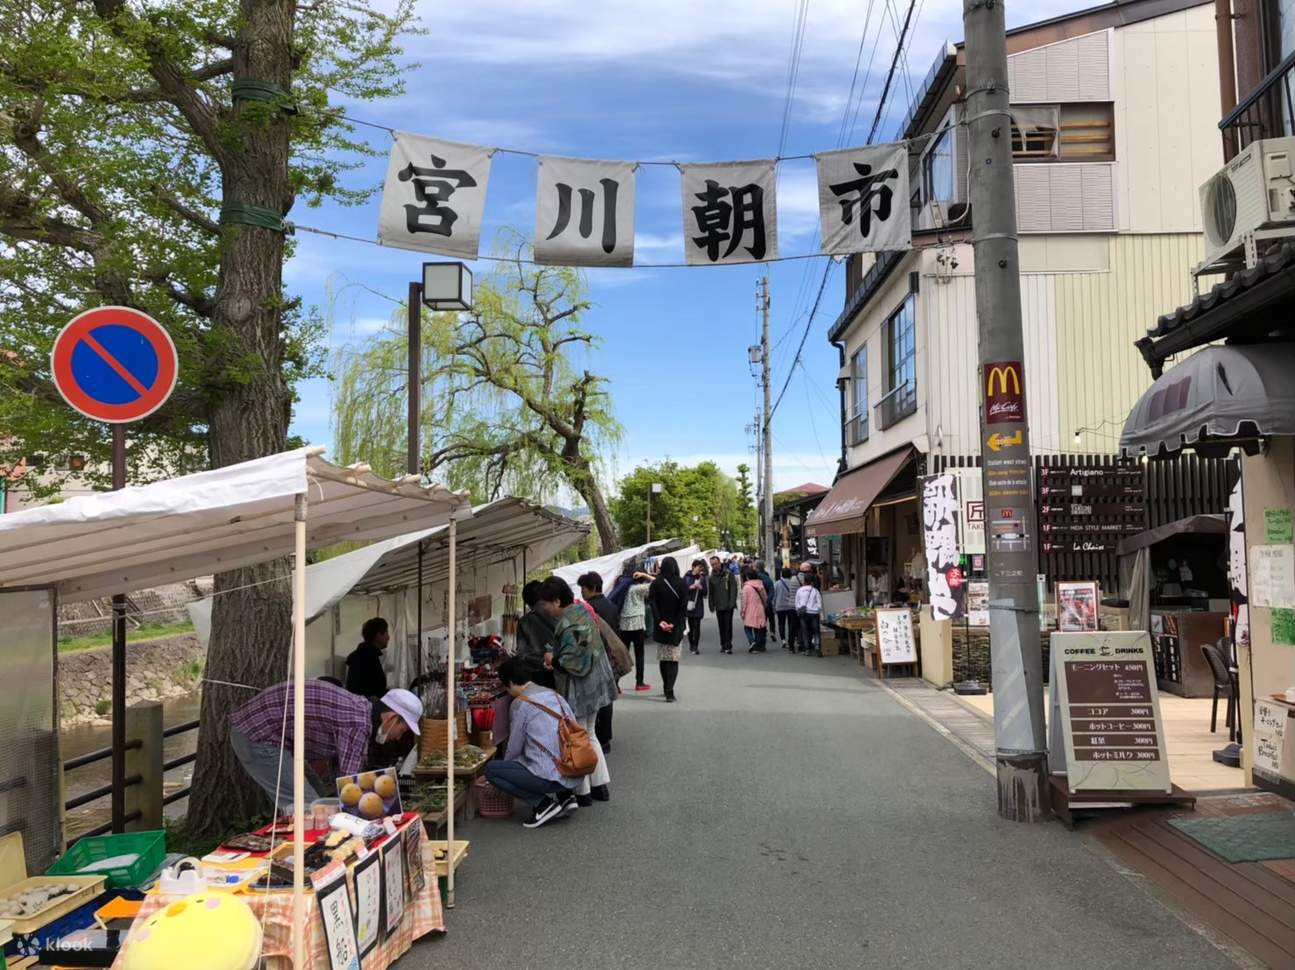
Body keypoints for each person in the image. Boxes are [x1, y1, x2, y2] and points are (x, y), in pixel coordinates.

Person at [230, 679, 422, 811]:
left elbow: (341, 774)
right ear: (391, 718)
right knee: (310, 808)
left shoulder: (360, 709)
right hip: (258, 734)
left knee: (322, 800)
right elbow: (349, 783)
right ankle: (310, 857)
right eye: (403, 730)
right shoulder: (358, 722)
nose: (399, 737)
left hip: (274, 736)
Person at [537, 577, 614, 803]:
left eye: (546, 603)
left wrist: (552, 659)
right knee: (589, 734)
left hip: (580, 687)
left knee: (577, 737)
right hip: (597, 682)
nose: (545, 608)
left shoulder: (568, 623)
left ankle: (583, 792)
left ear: (557, 601)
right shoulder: (582, 611)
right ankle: (599, 786)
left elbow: (573, 660)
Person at [484, 657, 580, 828]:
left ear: (511, 683)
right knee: (551, 749)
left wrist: (504, 775)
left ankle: (543, 804)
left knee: (492, 770)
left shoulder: (520, 704)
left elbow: (514, 748)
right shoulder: (556, 696)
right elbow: (574, 728)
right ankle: (566, 796)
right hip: (573, 769)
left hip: (548, 777)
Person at [578, 572, 620, 755]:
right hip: (610, 658)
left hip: (595, 659)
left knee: (595, 700)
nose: (582, 592)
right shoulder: (612, 605)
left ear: (593, 588)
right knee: (607, 700)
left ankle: (594, 738)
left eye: (584, 588)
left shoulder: (588, 609)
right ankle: (605, 738)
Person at [647, 558, 689, 701]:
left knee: (664, 659)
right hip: (676, 627)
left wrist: (660, 621)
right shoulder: (682, 583)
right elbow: (683, 607)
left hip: (661, 626)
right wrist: (674, 624)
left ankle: (666, 687)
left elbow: (652, 604)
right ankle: (669, 690)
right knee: (673, 659)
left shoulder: (656, 583)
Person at [618, 569, 653, 692]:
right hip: (637, 623)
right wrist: (645, 574)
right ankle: (639, 682)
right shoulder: (638, 588)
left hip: (624, 624)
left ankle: (615, 683)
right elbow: (657, 583)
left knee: (622, 655)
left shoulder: (623, 588)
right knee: (639, 654)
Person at [344, 617, 389, 698]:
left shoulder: (359, 654)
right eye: (386, 633)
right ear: (378, 635)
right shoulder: (369, 658)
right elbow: (375, 690)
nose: (388, 637)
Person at [516, 579, 556, 662]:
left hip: (537, 667)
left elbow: (521, 653)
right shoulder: (560, 612)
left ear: (527, 602)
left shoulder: (524, 622)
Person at [708, 555, 739, 655]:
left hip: (728, 605)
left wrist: (732, 602)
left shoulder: (728, 573)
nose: (714, 566)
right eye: (712, 564)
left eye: (715, 564)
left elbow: (733, 589)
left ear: (719, 562)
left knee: (728, 626)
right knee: (721, 626)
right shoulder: (711, 577)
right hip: (718, 605)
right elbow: (711, 592)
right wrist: (711, 604)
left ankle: (728, 646)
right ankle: (723, 644)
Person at [740, 567, 769, 653]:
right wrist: (765, 606)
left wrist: (742, 612)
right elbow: (765, 597)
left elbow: (744, 601)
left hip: (749, 610)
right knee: (758, 627)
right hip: (760, 609)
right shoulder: (760, 585)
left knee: (747, 627)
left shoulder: (746, 587)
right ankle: (758, 646)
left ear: (747, 577)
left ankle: (752, 641)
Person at [683, 559, 708, 655]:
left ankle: (695, 646)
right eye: (699, 567)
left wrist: (701, 588)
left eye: (701, 567)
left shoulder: (702, 578)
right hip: (688, 604)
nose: (700, 569)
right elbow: (682, 589)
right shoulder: (687, 576)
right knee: (690, 626)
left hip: (698, 605)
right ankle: (691, 643)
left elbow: (705, 592)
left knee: (697, 627)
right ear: (693, 567)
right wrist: (691, 587)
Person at [773, 567, 801, 649]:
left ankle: (783, 640)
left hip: (780, 606)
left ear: (781, 574)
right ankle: (791, 639)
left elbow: (774, 596)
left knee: (781, 623)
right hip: (791, 606)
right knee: (791, 624)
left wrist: (773, 606)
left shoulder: (777, 584)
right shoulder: (793, 582)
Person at [797, 572, 824, 657]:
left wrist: (799, 610)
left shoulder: (799, 590)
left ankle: (807, 649)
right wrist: (817, 610)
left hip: (803, 614)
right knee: (816, 631)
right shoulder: (815, 591)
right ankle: (817, 648)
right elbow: (819, 603)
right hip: (814, 614)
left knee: (805, 631)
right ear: (812, 582)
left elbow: (797, 603)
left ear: (804, 581)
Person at [755, 560, 776, 641]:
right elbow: (772, 590)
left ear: (757, 567)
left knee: (762, 619)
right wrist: (768, 600)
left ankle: (763, 632)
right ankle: (772, 632)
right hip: (768, 602)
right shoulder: (767, 577)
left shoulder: (755, 577)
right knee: (771, 618)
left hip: (759, 602)